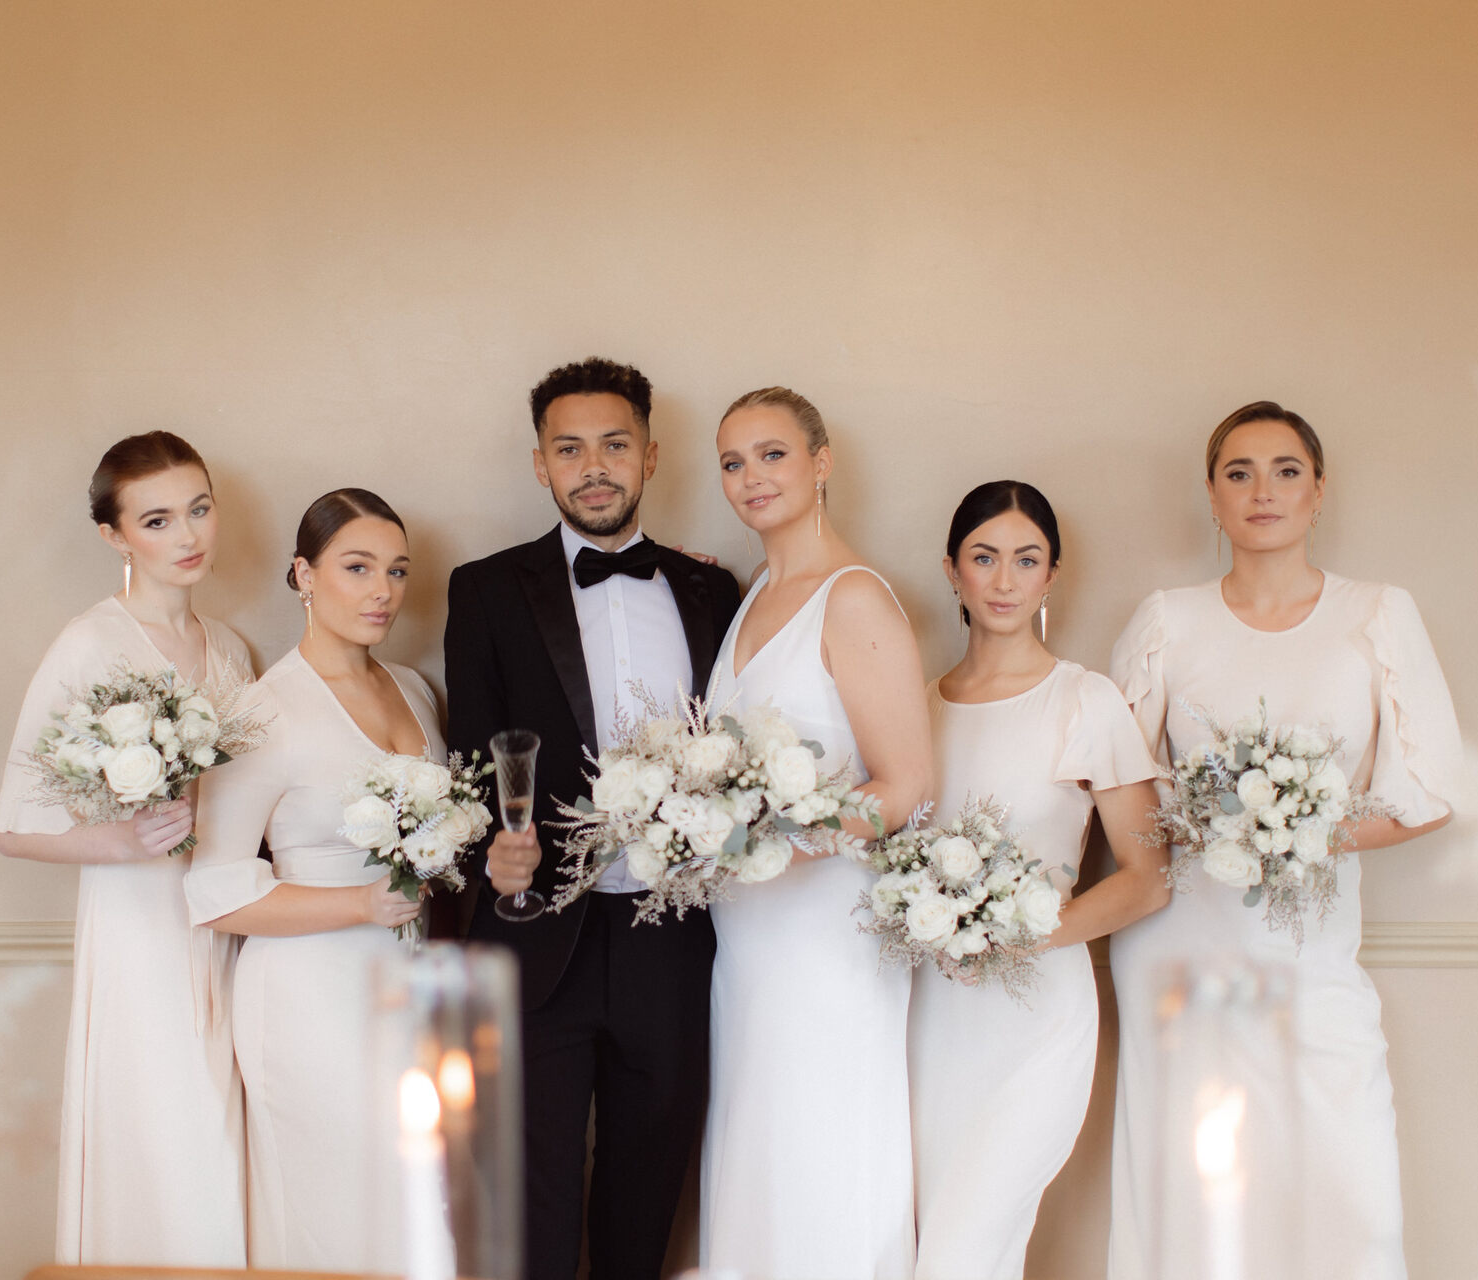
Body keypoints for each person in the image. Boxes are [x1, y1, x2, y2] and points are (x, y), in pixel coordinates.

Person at [1107, 402, 1464, 1280]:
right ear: (1213, 495)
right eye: (1238, 472)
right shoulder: (1168, 620)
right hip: (1182, 949)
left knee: (1346, 1188)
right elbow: (1114, 778)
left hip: (1312, 956)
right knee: (1195, 1185)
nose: (1262, 490)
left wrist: (1300, 830)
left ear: (1318, 492)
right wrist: (1209, 822)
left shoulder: (1377, 614)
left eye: (1285, 470)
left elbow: (1432, 792)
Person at [439, 357, 741, 1280]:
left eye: (614, 445)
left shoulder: (711, 591)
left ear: (650, 455)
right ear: (541, 465)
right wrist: (498, 851)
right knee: (531, 1187)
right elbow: (474, 754)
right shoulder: (485, 590)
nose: (593, 466)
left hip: (672, 929)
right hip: (537, 932)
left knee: (649, 1179)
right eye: (570, 449)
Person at [0, 432, 248, 1266]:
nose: (187, 537)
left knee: (223, 1135)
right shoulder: (89, 644)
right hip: (138, 931)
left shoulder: (233, 651)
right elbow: (12, 827)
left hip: (229, 921)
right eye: (159, 519)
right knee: (161, 1133)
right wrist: (125, 839)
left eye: (199, 509)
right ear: (115, 536)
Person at [698, 386, 933, 1280]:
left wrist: (777, 839)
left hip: (827, 929)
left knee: (823, 1139)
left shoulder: (855, 597)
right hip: (749, 935)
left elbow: (906, 786)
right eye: (731, 462)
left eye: (772, 454)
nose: (751, 477)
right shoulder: (755, 591)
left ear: (822, 463)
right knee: (760, 1135)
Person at [910, 480, 1166, 1280]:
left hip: (1038, 1020)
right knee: (933, 1241)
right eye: (984, 558)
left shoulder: (1086, 701)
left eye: (1026, 560)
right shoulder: (919, 708)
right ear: (952, 571)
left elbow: (1148, 878)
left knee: (967, 1246)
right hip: (929, 1020)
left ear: (1052, 575)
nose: (1004, 580)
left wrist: (1017, 934)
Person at [183, 488, 438, 1271]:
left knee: (410, 1206)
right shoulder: (263, 711)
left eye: (395, 571)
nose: (382, 591)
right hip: (306, 996)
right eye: (356, 568)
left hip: (409, 988)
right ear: (303, 574)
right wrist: (362, 901)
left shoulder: (417, 690)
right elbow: (218, 892)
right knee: (330, 1211)